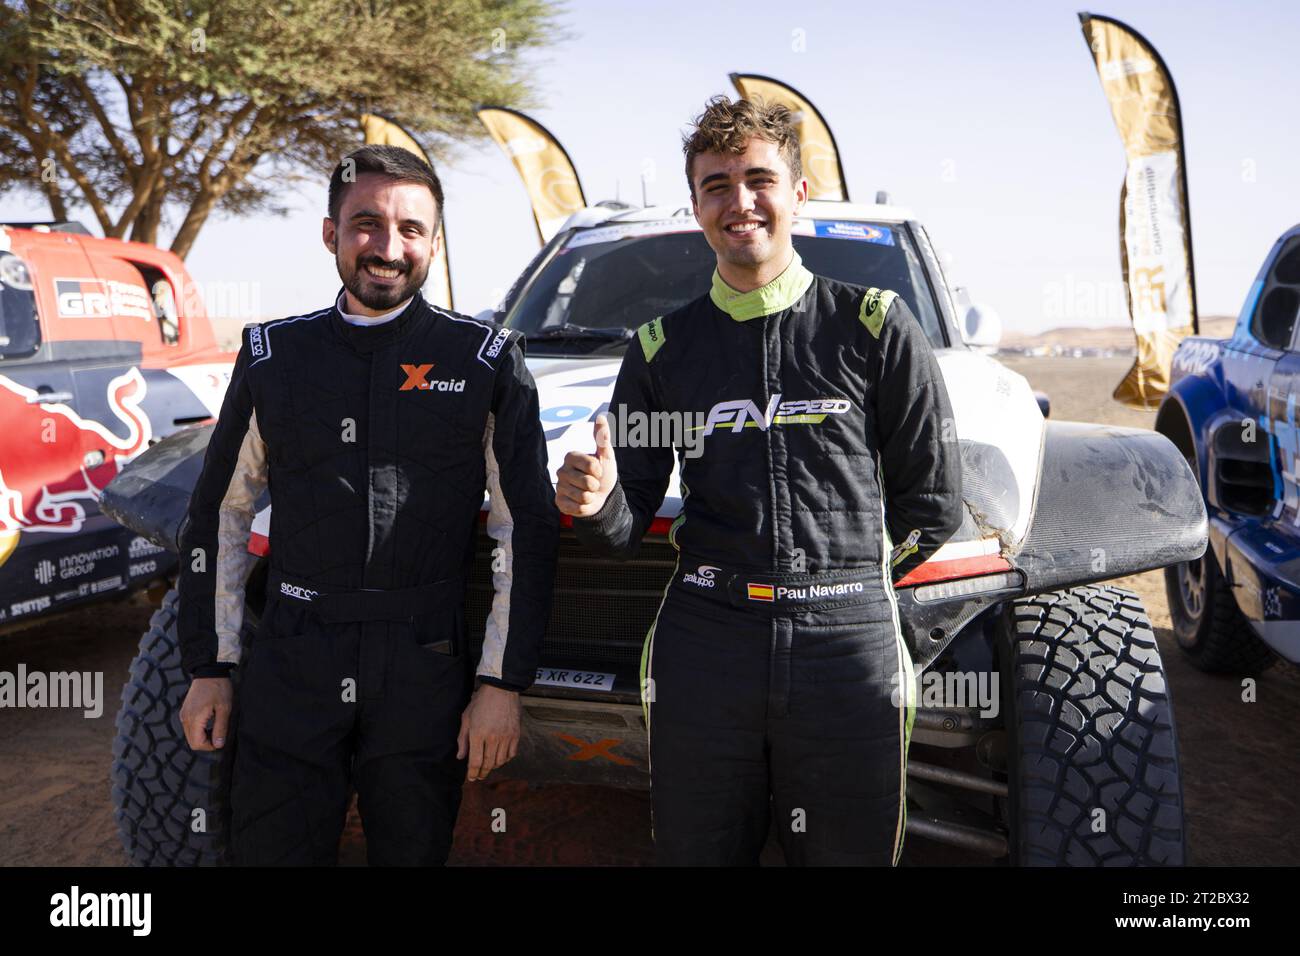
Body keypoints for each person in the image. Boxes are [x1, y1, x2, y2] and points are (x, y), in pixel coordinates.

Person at [555, 97, 963, 865]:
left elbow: (930, 507)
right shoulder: (662, 348)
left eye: (758, 179)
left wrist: (845, 583)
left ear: (798, 192)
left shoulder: (875, 325)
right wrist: (597, 502)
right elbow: (626, 519)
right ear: (696, 205)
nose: (739, 202)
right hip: (707, 643)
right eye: (716, 185)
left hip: (847, 646)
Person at [176, 144, 559, 866]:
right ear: (331, 234)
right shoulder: (270, 356)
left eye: (411, 229)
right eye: (366, 224)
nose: (388, 248)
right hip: (294, 655)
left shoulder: (482, 359)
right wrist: (211, 666)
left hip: (422, 663)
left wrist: (500, 685)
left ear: (435, 244)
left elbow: (525, 529)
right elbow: (219, 516)